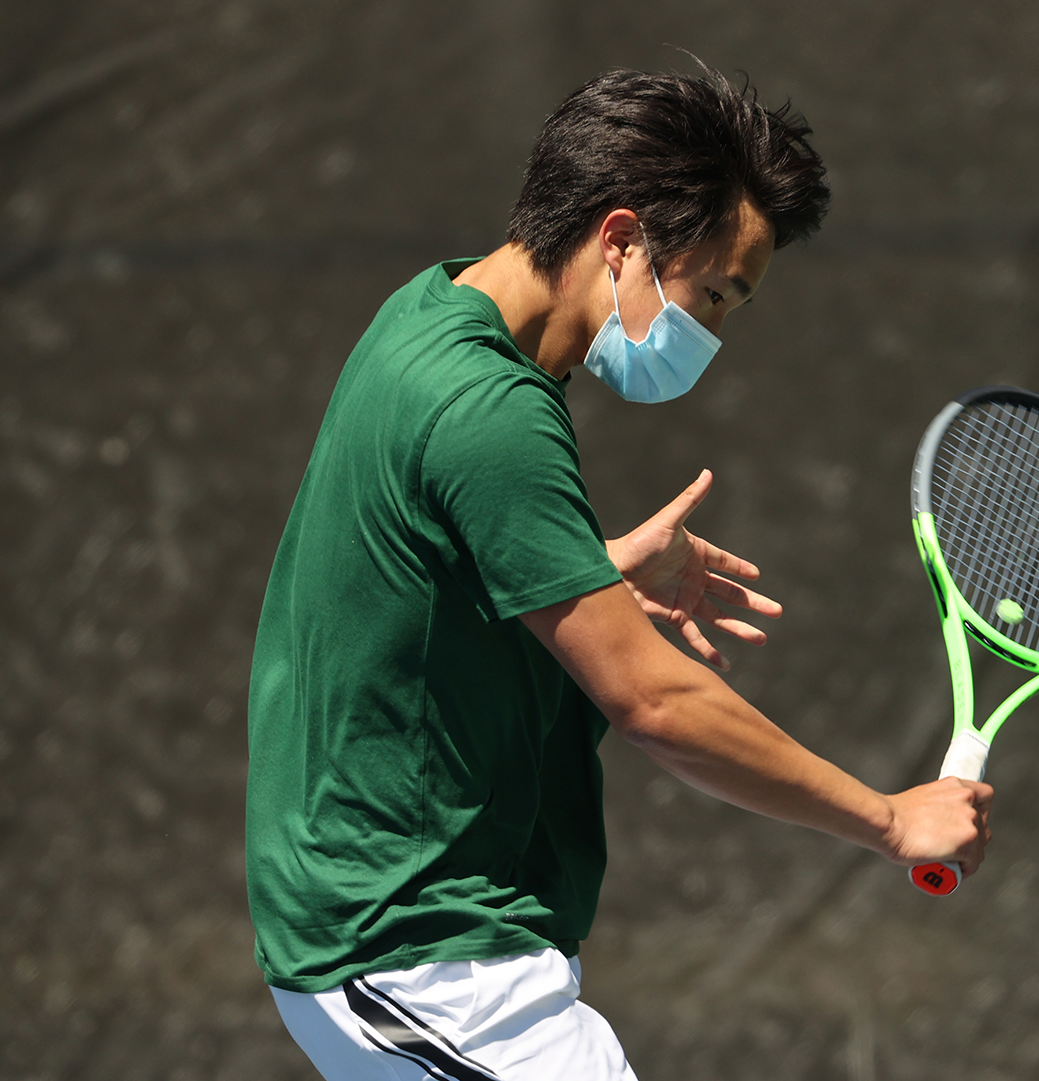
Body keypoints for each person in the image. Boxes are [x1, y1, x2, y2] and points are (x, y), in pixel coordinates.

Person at [244, 66, 993, 1080]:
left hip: (421, 938)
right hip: (415, 955)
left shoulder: (427, 313)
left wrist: (578, 571)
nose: (715, 333)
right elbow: (653, 701)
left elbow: (400, 581)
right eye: (716, 292)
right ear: (623, 237)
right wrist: (892, 817)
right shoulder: (490, 414)